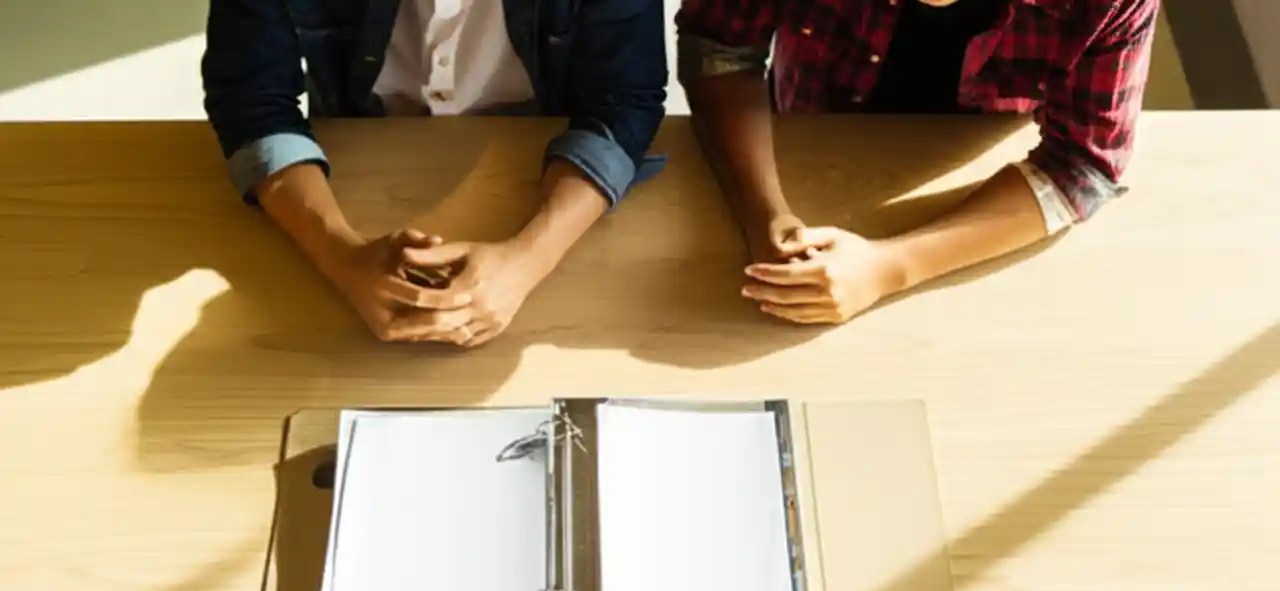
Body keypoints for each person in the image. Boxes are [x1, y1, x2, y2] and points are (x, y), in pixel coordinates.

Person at [203, 0, 666, 345]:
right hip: (355, 162)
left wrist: (529, 258)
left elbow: (622, 101)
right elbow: (252, 99)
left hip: (541, 172)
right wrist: (339, 254)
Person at [677, 0, 1157, 324]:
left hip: (979, 185)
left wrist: (891, 267)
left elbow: (1082, 164)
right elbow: (720, 47)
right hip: (802, 140)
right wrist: (765, 213)